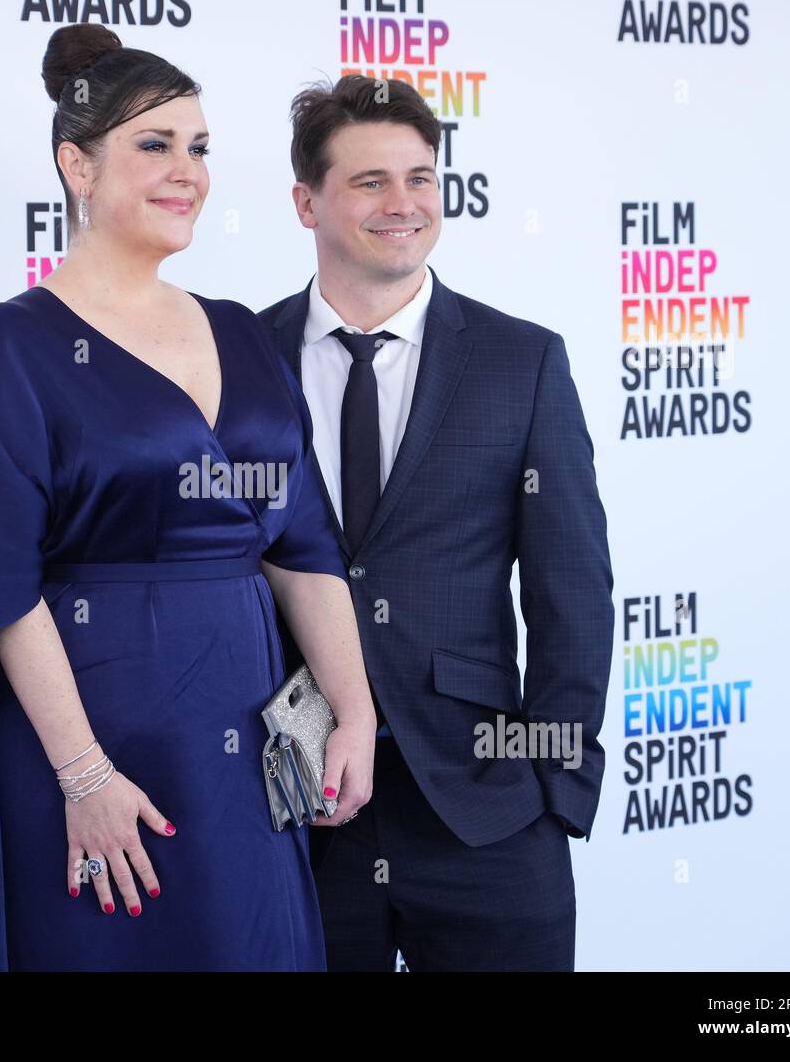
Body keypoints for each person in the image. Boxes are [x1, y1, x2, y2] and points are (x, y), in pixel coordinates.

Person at [0, 25, 377, 972]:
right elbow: (1, 589)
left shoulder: (244, 335)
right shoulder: (13, 345)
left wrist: (355, 709)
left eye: (200, 147)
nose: (188, 172)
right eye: (155, 145)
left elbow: (303, 548)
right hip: (98, 750)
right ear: (75, 166)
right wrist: (84, 776)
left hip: (250, 756)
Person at [257, 74, 614, 971]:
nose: (404, 202)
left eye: (421, 176)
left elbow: (572, 589)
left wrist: (552, 786)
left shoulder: (521, 361)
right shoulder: (239, 358)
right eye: (370, 180)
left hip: (485, 807)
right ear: (306, 201)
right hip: (296, 811)